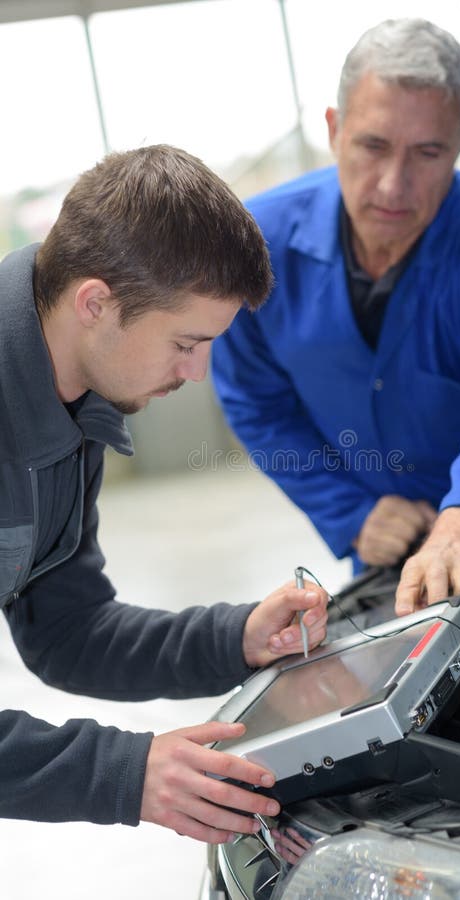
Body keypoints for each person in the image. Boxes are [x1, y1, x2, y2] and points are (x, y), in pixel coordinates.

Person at [211, 17, 460, 623]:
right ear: (335, 131)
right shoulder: (252, 247)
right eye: (373, 145)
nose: (394, 184)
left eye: (427, 152)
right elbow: (259, 404)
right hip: (392, 540)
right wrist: (351, 514)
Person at [0, 144, 330, 844]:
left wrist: (235, 638)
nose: (200, 371)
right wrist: (123, 771)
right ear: (97, 302)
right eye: (185, 342)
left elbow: (66, 632)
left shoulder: (76, 400)